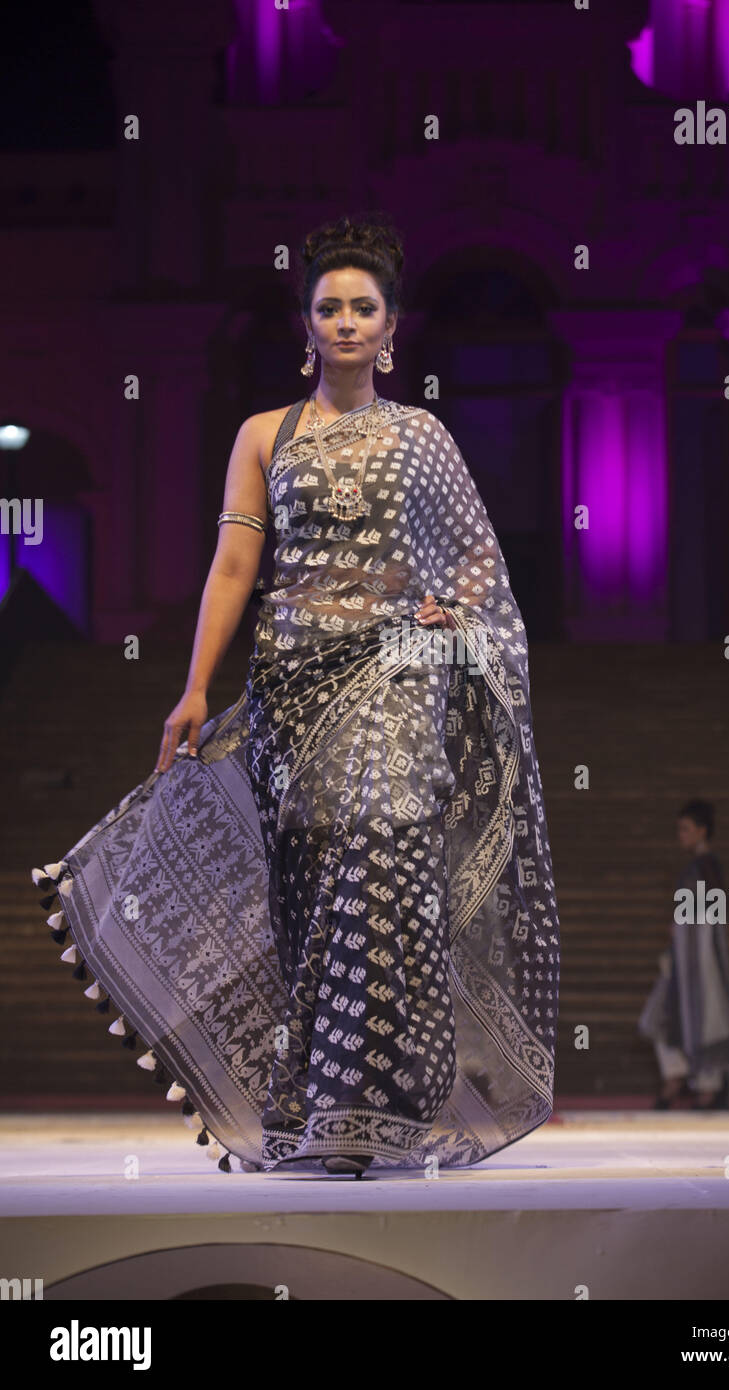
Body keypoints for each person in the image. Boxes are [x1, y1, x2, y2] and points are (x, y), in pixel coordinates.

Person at [30, 213, 561, 1177]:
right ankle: (328, 1106)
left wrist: (456, 619)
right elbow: (234, 566)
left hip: (399, 678)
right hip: (291, 683)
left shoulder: (422, 436)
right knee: (315, 886)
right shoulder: (262, 435)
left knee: (386, 840)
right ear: (306, 325)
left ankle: (393, 1100)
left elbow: (482, 566)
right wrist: (193, 688)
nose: (347, 321)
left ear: (393, 328)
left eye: (365, 307)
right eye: (330, 307)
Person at [638, 799, 729, 1112]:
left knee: (705, 1017)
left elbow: (716, 908)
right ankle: (676, 1079)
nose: (681, 835)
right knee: (664, 1015)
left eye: (686, 829)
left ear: (702, 831)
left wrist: (689, 926)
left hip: (700, 958)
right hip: (683, 957)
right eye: (679, 829)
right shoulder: (694, 867)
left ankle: (706, 1089)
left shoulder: (707, 865)